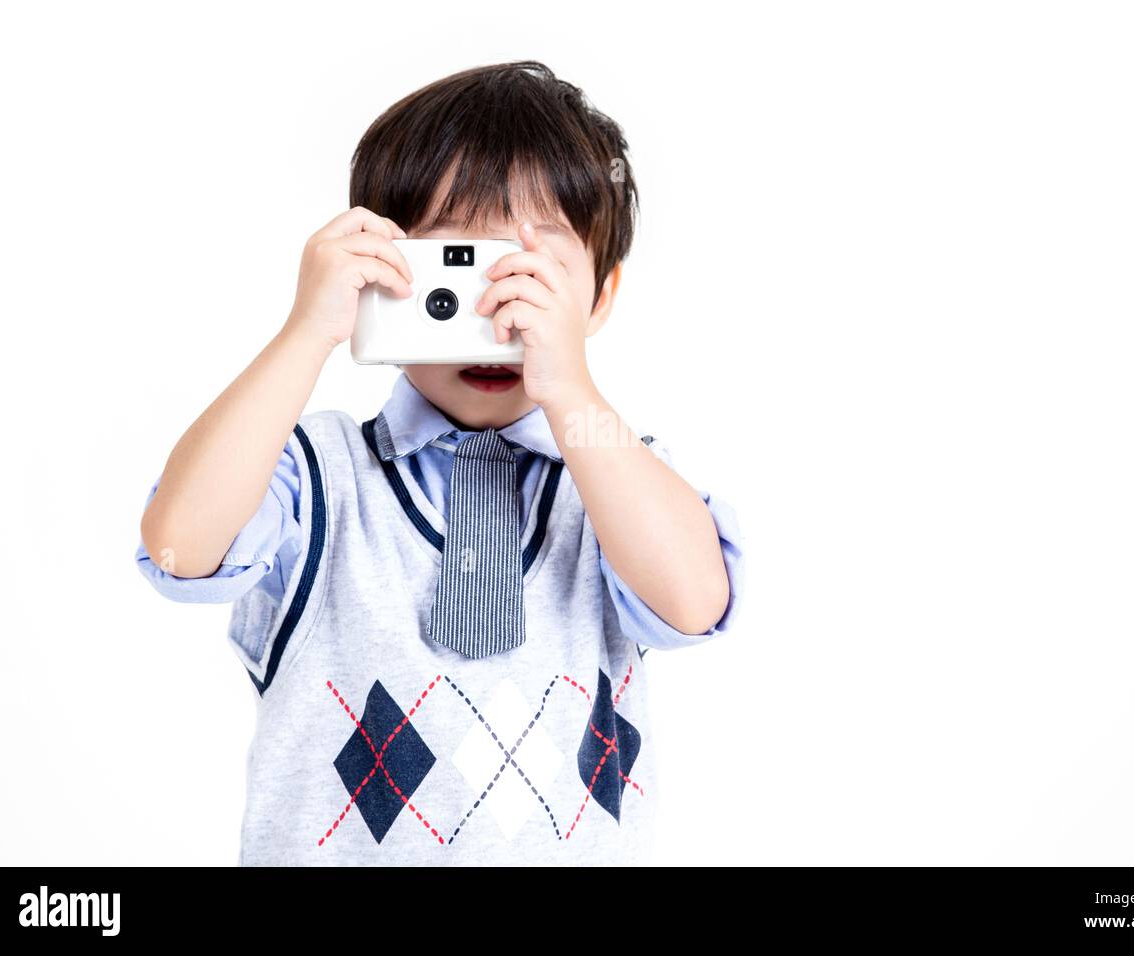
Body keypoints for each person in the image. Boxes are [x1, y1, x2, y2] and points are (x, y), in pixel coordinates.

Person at [134, 60, 743, 865]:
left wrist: (570, 389)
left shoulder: (611, 476)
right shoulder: (319, 477)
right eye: (453, 270)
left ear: (599, 296)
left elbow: (696, 604)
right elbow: (180, 551)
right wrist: (305, 334)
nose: (494, 312)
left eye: (531, 276)